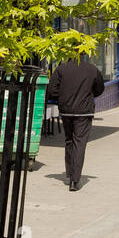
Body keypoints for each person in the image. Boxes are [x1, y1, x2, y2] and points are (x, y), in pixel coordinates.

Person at [46, 58, 105, 191]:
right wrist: (88, 95)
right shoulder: (92, 69)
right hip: (84, 111)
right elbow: (100, 88)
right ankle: (75, 179)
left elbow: (51, 89)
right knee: (79, 142)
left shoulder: (61, 69)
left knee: (69, 140)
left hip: (66, 110)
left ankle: (70, 173)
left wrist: (63, 97)